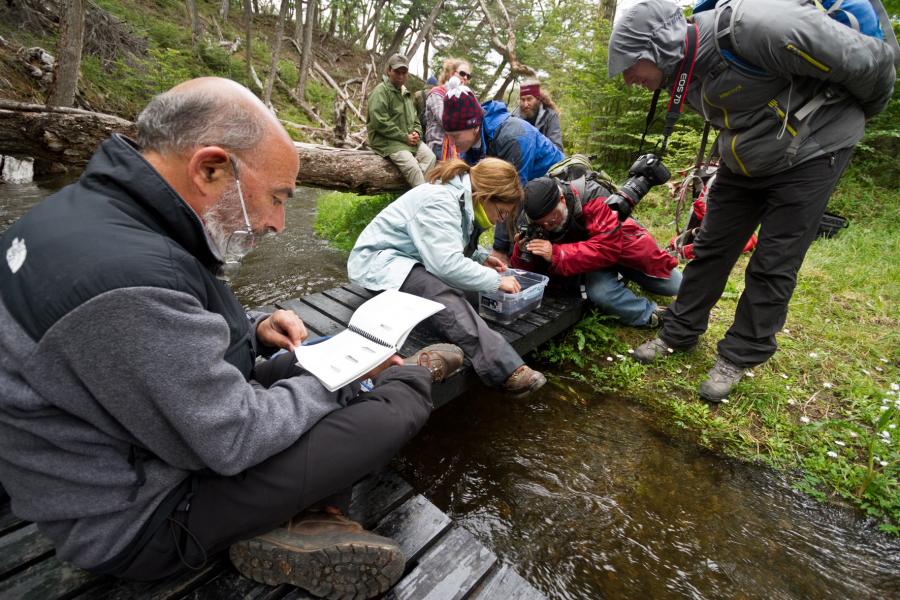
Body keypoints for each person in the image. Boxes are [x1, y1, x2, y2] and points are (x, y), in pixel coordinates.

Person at [0, 77, 464, 598]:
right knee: (394, 408)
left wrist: (254, 326)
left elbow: (154, 336)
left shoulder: (100, 218)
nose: (279, 223)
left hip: (138, 448)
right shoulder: (124, 280)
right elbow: (232, 438)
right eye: (277, 198)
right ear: (210, 168)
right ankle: (410, 380)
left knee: (314, 357)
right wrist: (341, 380)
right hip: (140, 518)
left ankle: (310, 510)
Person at [608, 0, 895, 401]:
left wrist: (851, 117)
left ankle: (738, 356)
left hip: (812, 152)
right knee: (710, 247)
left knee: (774, 261)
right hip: (744, 158)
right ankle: (678, 333)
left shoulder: (757, 26)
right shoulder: (682, 69)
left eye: (629, 66)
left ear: (657, 46)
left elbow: (871, 65)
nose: (628, 79)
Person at [348, 158, 547, 398]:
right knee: (441, 293)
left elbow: (448, 243)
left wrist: (481, 258)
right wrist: (496, 280)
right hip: (379, 264)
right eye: (502, 212)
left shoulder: (461, 199)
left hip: (411, 260)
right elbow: (445, 264)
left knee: (471, 288)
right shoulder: (440, 200)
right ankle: (504, 369)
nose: (500, 220)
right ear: (486, 195)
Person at [512, 176, 681, 327]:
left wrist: (556, 254)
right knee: (602, 293)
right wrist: (521, 253)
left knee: (675, 284)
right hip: (581, 264)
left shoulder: (593, 195)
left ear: (562, 199)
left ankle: (628, 274)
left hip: (617, 248)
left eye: (553, 218)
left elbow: (607, 248)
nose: (548, 225)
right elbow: (527, 274)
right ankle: (649, 314)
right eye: (542, 223)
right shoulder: (529, 219)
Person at [441, 77, 565, 264]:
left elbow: (510, 197)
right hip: (527, 184)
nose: (451, 143)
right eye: (448, 136)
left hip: (552, 183)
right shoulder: (472, 143)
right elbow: (472, 196)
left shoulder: (512, 137)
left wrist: (499, 248)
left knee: (524, 241)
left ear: (474, 127)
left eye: (456, 136)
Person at [367, 53, 436, 187]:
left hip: (406, 140)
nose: (400, 76)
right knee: (413, 168)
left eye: (404, 73)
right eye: (397, 72)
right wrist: (404, 137)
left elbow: (415, 119)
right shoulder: (380, 91)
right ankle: (422, 196)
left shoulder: (406, 93)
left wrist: (417, 132)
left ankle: (420, 190)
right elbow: (379, 122)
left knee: (430, 157)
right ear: (389, 71)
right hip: (387, 141)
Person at [424, 58, 474, 159]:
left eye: (468, 76)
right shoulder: (437, 93)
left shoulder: (463, 97)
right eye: (462, 73)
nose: (465, 77)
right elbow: (446, 121)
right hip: (438, 147)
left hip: (456, 149)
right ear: (451, 73)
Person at [511, 80, 563, 151]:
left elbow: (557, 148)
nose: (525, 104)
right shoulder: (513, 117)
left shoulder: (550, 116)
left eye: (529, 99)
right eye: (523, 100)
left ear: (538, 99)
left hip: (544, 157)